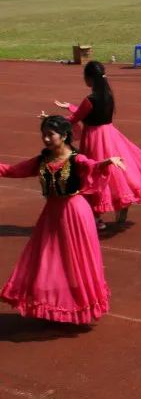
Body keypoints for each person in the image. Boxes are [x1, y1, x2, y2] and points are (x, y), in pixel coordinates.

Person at [0, 116, 125, 324]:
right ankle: (55, 301)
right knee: (47, 257)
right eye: (44, 135)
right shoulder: (42, 160)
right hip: (51, 214)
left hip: (74, 212)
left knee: (76, 258)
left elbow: (93, 166)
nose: (46, 139)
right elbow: (13, 170)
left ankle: (79, 304)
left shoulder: (77, 159)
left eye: (50, 135)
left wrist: (107, 162)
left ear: (65, 136)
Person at [52, 61, 141, 230]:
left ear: (89, 79)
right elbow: (88, 113)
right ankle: (121, 203)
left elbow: (75, 119)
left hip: (94, 138)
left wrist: (52, 121)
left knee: (91, 174)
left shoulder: (90, 99)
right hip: (110, 135)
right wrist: (70, 106)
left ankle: (97, 218)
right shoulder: (108, 95)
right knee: (115, 172)